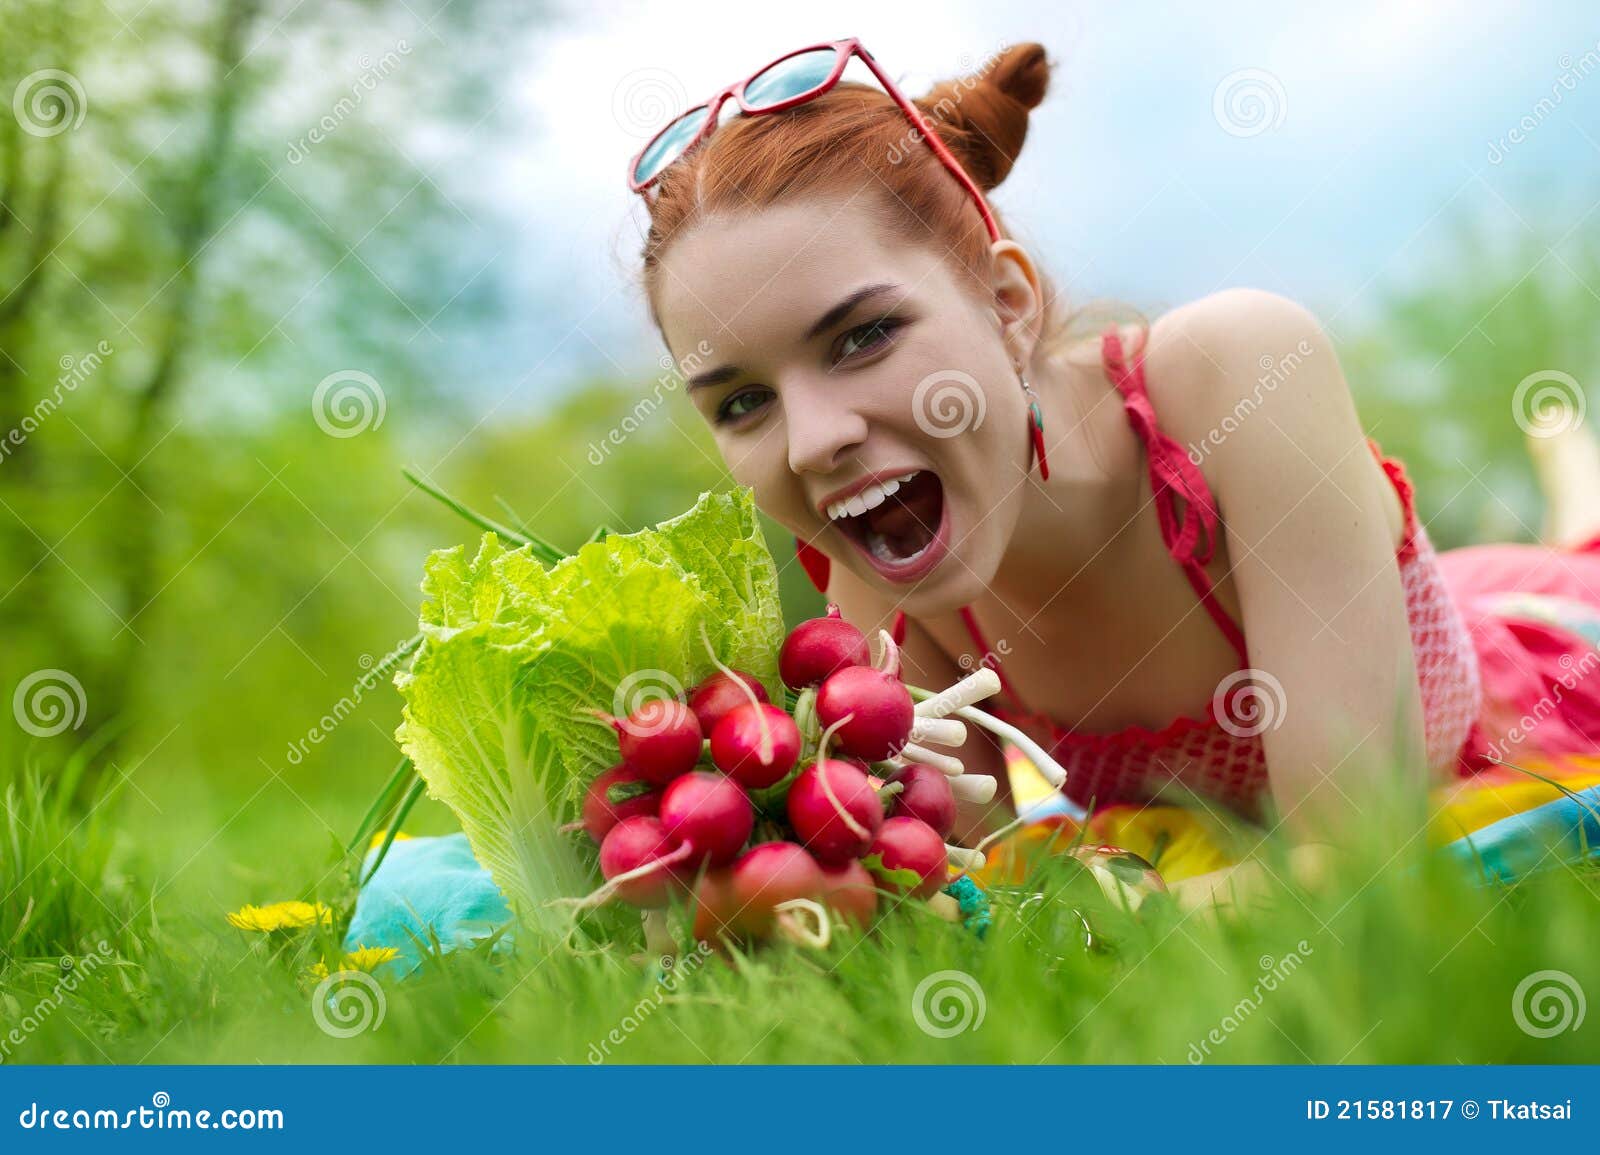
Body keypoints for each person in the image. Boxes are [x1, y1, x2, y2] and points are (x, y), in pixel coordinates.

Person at [628, 39, 1600, 854]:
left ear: (1007, 306)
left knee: (1578, 555)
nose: (814, 442)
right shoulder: (882, 546)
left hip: (1548, 668)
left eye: (863, 336)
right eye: (744, 401)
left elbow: (1355, 851)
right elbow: (963, 883)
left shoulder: (1236, 368)